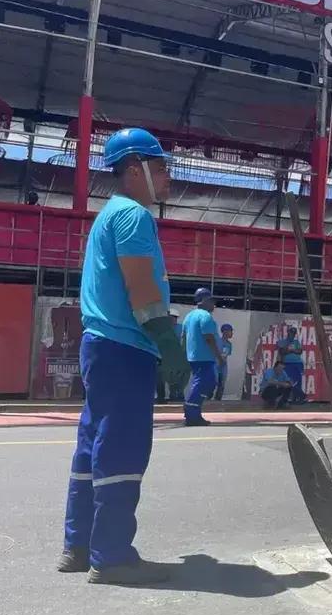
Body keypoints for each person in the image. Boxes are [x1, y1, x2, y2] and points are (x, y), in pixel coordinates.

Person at [59, 127, 188, 584]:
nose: (168, 176)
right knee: (122, 448)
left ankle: (78, 544)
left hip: (101, 347)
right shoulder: (134, 216)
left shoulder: (108, 214)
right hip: (125, 347)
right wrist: (169, 343)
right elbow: (143, 290)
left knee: (92, 445)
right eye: (160, 167)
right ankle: (111, 556)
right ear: (134, 170)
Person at [181, 288, 223, 427]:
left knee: (202, 383)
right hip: (204, 357)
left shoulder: (189, 316)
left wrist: (184, 355)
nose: (214, 304)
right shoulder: (205, 316)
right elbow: (209, 338)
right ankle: (191, 411)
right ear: (204, 301)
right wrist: (219, 356)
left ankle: (194, 412)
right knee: (204, 383)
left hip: (193, 356)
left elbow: (183, 337)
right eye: (211, 301)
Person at [276, 326, 305, 404]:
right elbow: (282, 351)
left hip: (297, 363)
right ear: (288, 333)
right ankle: (290, 397)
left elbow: (300, 351)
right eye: (291, 333)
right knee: (289, 381)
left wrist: (291, 350)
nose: (292, 335)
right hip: (287, 363)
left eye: (294, 333)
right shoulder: (283, 341)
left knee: (297, 381)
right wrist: (292, 350)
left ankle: (297, 398)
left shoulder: (296, 342)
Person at [215, 323, 233, 400]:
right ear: (225, 331)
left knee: (221, 385)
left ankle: (218, 401)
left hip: (223, 367)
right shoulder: (218, 341)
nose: (232, 333)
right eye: (230, 331)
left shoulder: (229, 344)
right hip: (216, 365)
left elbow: (226, 355)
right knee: (212, 384)